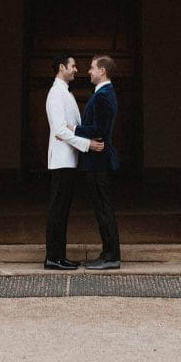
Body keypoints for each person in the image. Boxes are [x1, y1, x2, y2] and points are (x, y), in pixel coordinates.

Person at [43, 54, 102, 270]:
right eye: (73, 66)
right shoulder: (55, 94)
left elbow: (73, 125)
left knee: (63, 210)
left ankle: (60, 255)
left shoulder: (65, 92)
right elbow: (59, 130)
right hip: (61, 161)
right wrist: (87, 145)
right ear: (61, 67)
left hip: (69, 160)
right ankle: (53, 257)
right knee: (57, 210)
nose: (77, 69)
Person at [62, 54, 121, 270]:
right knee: (102, 209)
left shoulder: (103, 96)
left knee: (104, 209)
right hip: (96, 161)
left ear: (102, 71)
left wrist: (74, 129)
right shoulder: (102, 94)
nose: (89, 71)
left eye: (93, 68)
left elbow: (99, 130)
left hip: (99, 162)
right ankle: (108, 253)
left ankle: (111, 256)